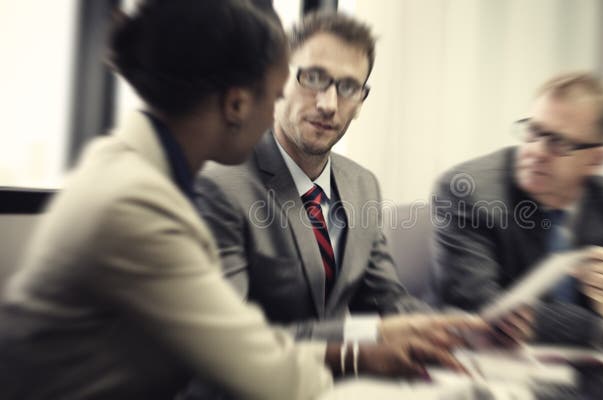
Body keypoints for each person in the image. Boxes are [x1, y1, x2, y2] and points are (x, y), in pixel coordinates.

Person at [0, 2, 459, 399]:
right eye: (278, 93)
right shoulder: (137, 203)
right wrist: (364, 350)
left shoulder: (125, 168)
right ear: (238, 104)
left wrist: (432, 332)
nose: (325, 104)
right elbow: (262, 367)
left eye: (347, 87)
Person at [195, 11, 480, 346]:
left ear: (360, 102)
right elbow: (231, 340)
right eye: (313, 78)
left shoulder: (362, 185)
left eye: (348, 87)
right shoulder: (221, 184)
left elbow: (384, 299)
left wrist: (460, 331)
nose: (329, 104)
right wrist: (365, 338)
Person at [433, 72, 603, 346]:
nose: (536, 151)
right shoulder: (470, 191)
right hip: (485, 359)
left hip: (588, 368)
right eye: (533, 131)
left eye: (558, 142)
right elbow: (482, 310)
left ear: (597, 160)